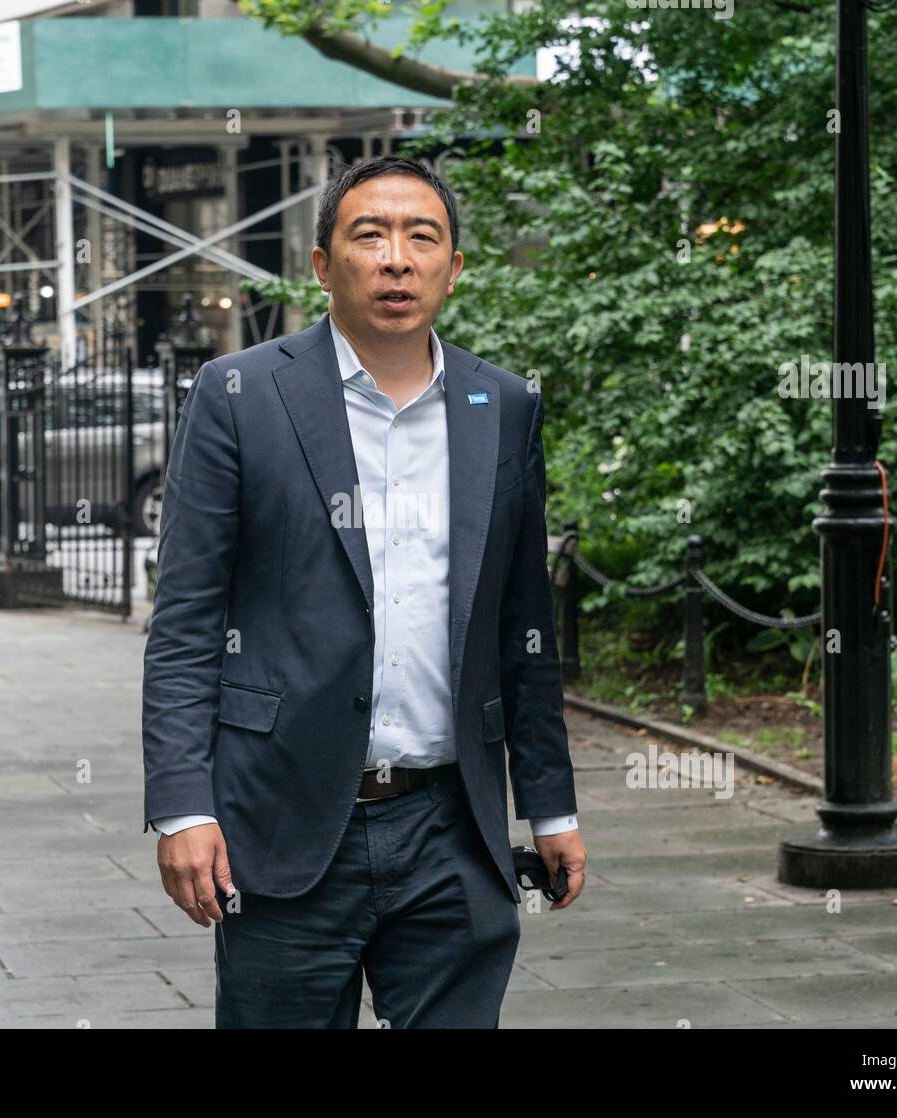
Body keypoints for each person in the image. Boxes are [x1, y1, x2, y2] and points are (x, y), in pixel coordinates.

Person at [142, 155, 586, 1028]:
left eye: (423, 238)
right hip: (284, 824)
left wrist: (551, 806)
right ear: (322, 264)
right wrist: (181, 808)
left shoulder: (503, 404)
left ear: (453, 269)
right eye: (369, 235)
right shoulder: (241, 396)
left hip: (453, 828)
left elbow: (523, 625)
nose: (396, 258)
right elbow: (186, 623)